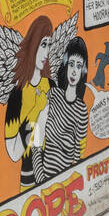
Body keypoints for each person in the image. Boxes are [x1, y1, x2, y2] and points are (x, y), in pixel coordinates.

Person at [4, 16, 54, 191]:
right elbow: (14, 153)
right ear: (33, 46)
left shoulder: (51, 86)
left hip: (55, 170)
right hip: (29, 181)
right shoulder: (17, 95)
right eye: (43, 44)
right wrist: (35, 110)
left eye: (49, 45)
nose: (46, 52)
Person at [35, 37, 94, 182]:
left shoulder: (81, 111)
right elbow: (37, 135)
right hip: (43, 180)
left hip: (66, 185)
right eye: (72, 64)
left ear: (83, 71)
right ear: (66, 65)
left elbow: (77, 158)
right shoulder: (53, 95)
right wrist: (40, 178)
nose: (74, 71)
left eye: (79, 66)